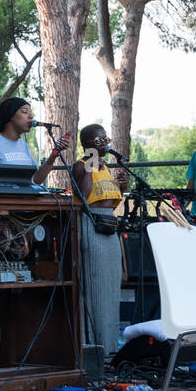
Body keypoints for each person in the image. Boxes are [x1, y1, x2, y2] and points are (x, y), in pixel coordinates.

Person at [72, 124, 126, 357]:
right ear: (89, 143)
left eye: (106, 138)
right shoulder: (82, 165)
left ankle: (111, 346)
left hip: (109, 225)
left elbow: (112, 199)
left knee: (111, 289)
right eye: (100, 139)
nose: (106, 142)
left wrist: (120, 185)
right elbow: (83, 197)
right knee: (94, 289)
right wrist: (90, 161)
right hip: (91, 224)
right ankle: (94, 347)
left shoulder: (104, 168)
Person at [0, 96, 70, 186]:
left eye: (30, 112)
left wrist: (52, 157)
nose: (31, 116)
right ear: (10, 115)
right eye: (24, 112)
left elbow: (35, 180)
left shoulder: (23, 145)